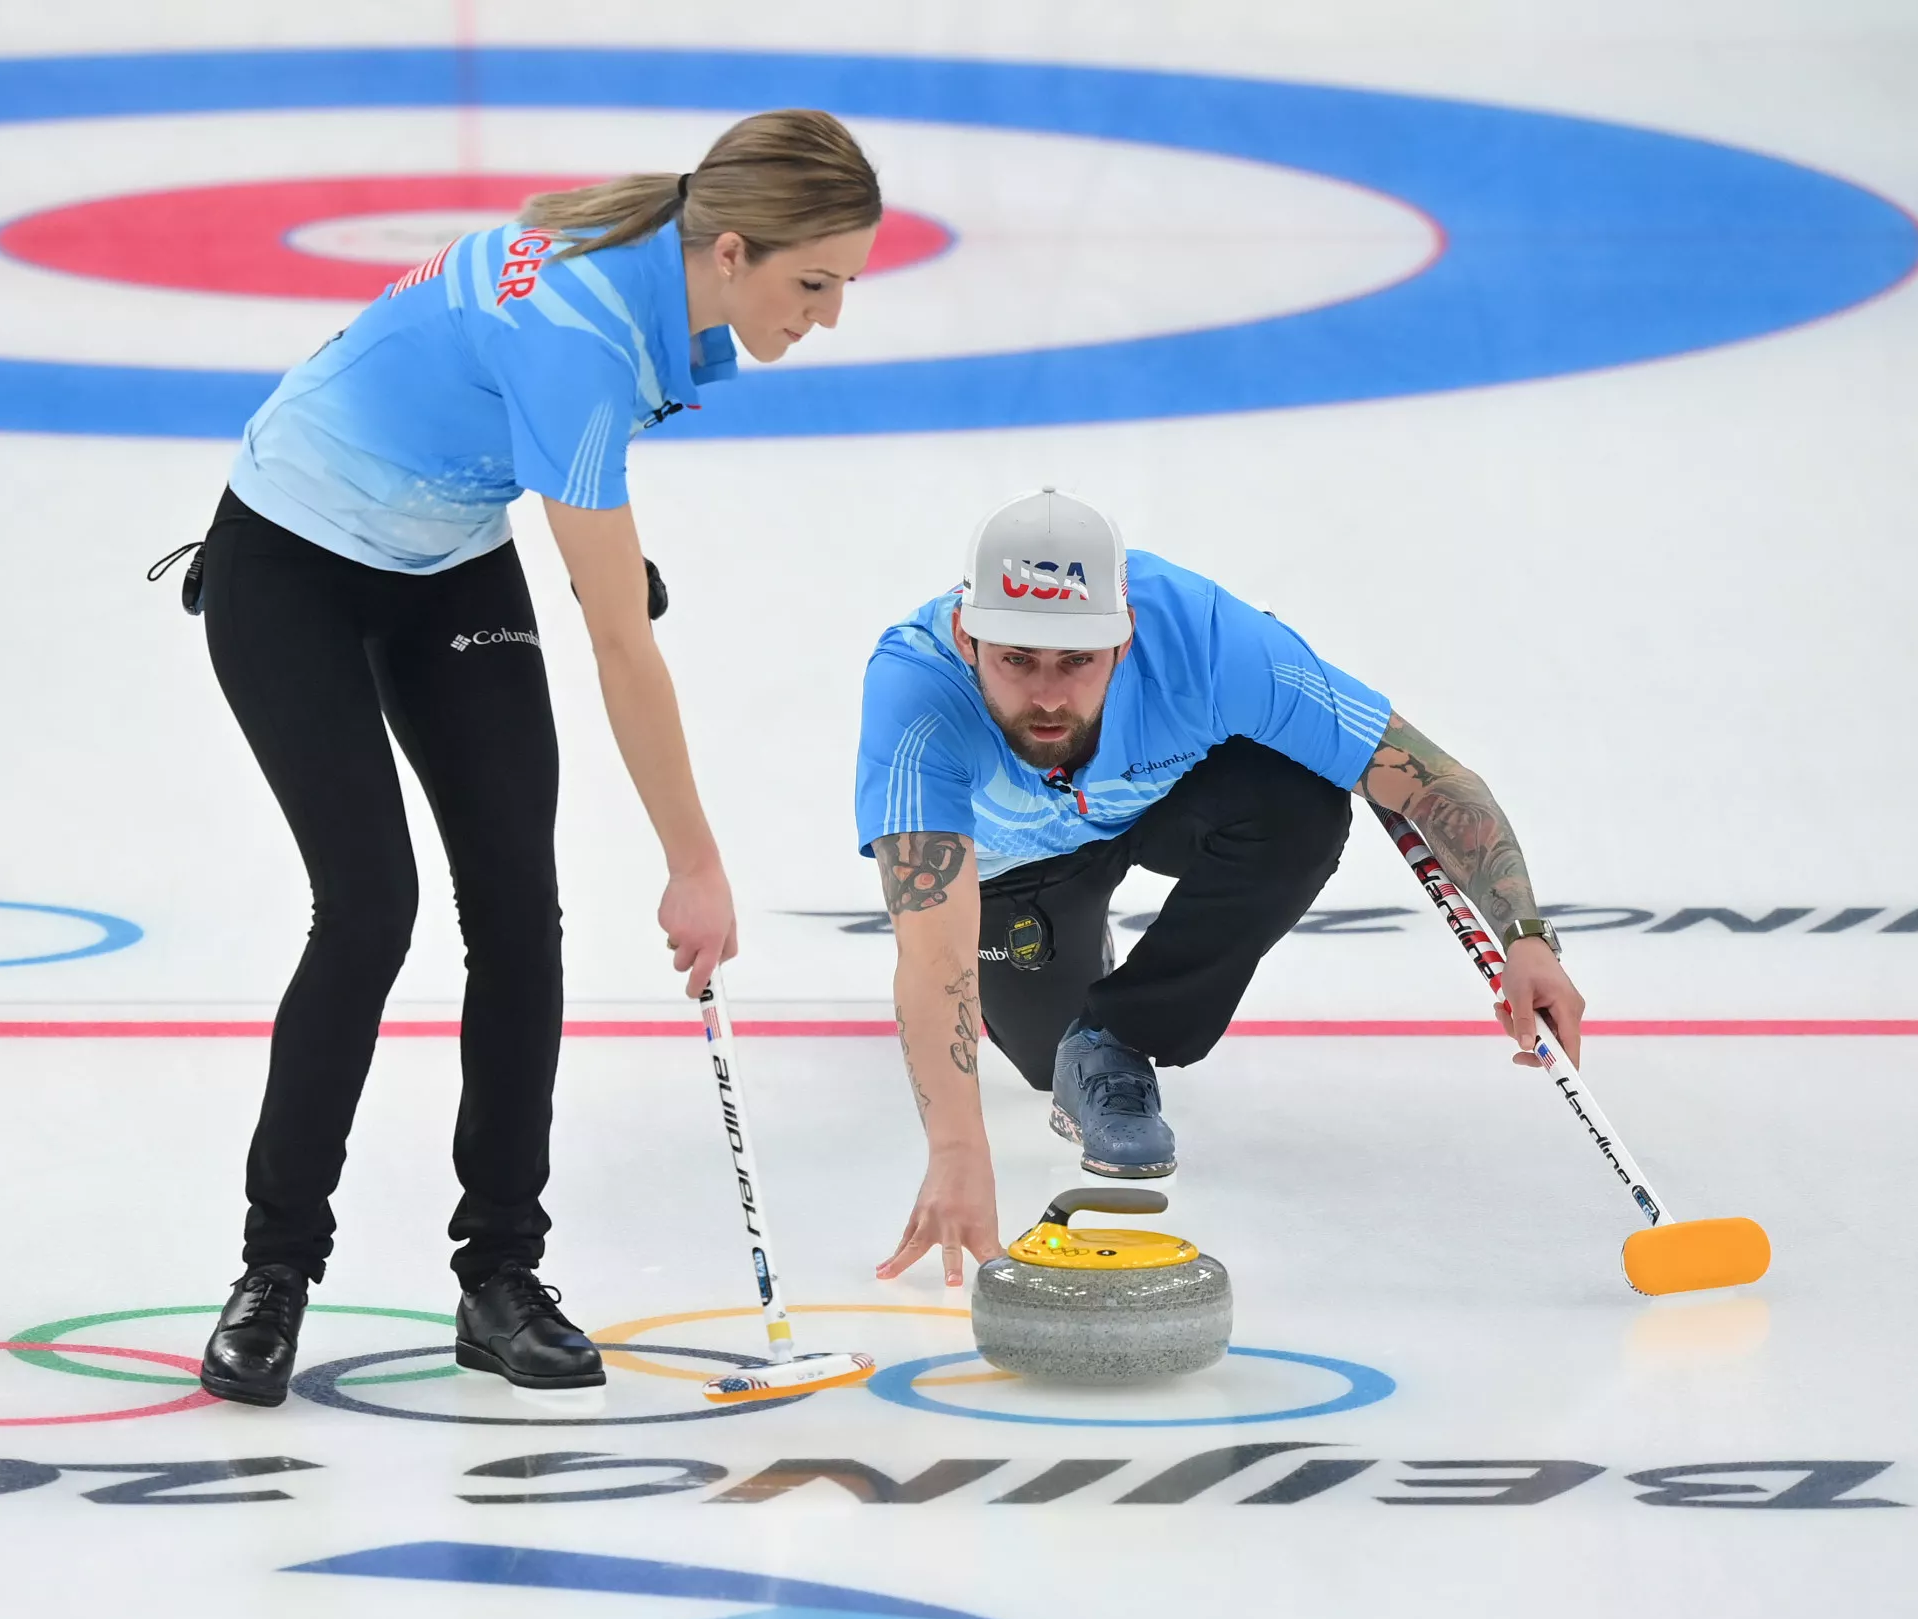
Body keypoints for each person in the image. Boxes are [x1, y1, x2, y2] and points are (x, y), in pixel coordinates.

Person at [183, 111, 882, 1403]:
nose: (829, 316)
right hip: (288, 564)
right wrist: (695, 864)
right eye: (814, 283)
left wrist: (599, 524)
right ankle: (272, 1270)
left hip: (444, 555)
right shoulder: (582, 336)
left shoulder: (647, 257)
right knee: (370, 908)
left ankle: (500, 1274)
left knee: (518, 912)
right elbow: (620, 647)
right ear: (729, 251)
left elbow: (509, 413)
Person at [855, 487, 1589, 1283]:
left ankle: (1120, 1032)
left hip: (1159, 801)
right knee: (1038, 1062)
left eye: (1078, 662)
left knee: (1304, 799)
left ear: (1126, 636)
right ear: (968, 638)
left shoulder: (1208, 638)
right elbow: (933, 956)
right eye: (1016, 661)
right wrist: (958, 1153)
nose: (1047, 698)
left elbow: (1430, 781)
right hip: (1017, 868)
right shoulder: (915, 689)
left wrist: (1525, 937)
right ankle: (1074, 972)